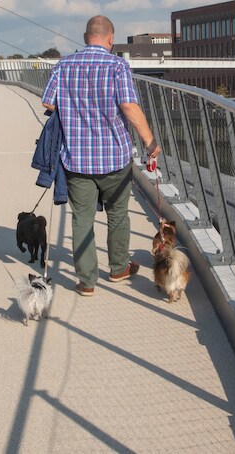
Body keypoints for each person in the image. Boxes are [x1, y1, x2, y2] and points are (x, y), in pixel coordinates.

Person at [41, 15, 161, 296]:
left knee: (81, 219)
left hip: (76, 159)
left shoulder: (64, 65)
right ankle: (118, 268)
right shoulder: (117, 65)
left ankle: (86, 282)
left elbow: (48, 101)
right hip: (114, 159)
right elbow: (129, 106)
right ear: (111, 39)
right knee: (118, 214)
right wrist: (150, 142)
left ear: (85, 38)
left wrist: (73, 110)